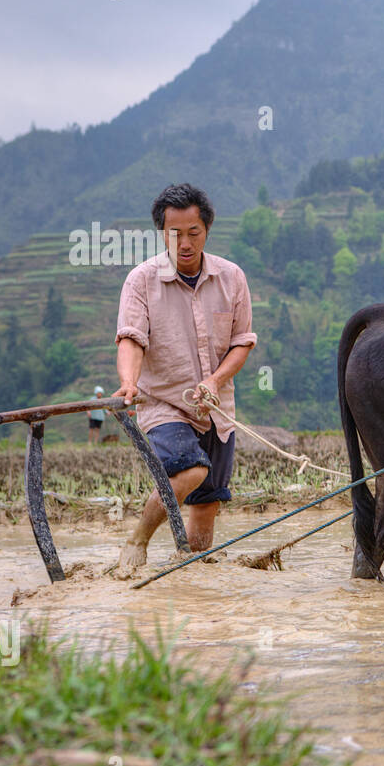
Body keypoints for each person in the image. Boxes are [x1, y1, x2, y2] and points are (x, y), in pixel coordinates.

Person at [111, 184, 257, 576]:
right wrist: (128, 382)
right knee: (191, 470)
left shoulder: (231, 277)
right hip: (165, 404)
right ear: (162, 233)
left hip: (217, 408)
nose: (185, 243)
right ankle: (139, 538)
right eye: (175, 234)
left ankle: (190, 578)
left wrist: (215, 380)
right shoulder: (141, 281)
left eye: (193, 232)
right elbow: (131, 338)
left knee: (207, 505)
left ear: (207, 229)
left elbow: (242, 343)